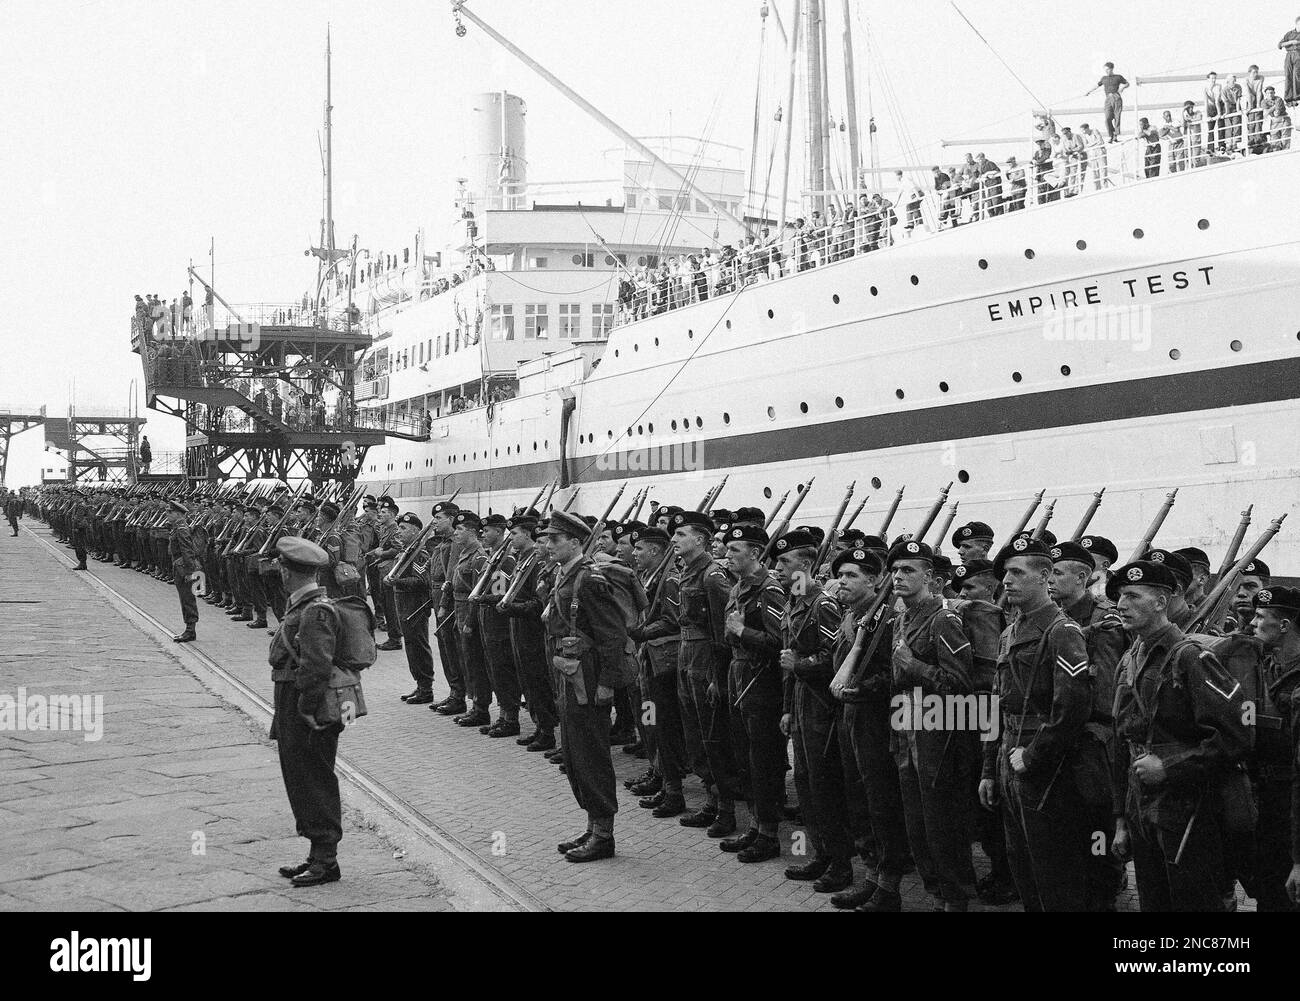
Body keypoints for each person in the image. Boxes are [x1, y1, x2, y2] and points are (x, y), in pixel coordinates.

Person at [1110, 560, 1251, 912]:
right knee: (1154, 903)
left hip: (1188, 808)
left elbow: (1235, 737)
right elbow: (1123, 738)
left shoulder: (1191, 656)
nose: (1121, 605)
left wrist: (1170, 768)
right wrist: (1121, 819)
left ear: (1161, 601)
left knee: (1193, 903)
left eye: (1132, 596)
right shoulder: (1132, 656)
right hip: (1143, 805)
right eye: (1119, 597)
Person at [979, 538, 1093, 911]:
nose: (1007, 581)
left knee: (1053, 870)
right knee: (1021, 864)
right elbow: (996, 705)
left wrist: (1034, 756)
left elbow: (1072, 708)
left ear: (1044, 576)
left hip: (1042, 767)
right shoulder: (1010, 632)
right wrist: (988, 770)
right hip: (1007, 760)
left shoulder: (1062, 631)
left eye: (1017, 572)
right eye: (1005, 574)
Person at [888, 540, 974, 911]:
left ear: (931, 579)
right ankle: (935, 892)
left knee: (940, 820)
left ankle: (954, 898)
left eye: (909, 570)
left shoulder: (943, 619)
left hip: (936, 725)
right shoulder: (902, 618)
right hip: (905, 721)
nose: (899, 576)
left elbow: (961, 685)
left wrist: (914, 667)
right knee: (916, 821)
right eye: (895, 570)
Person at [543, 511, 630, 863]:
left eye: (555, 540)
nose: (549, 545)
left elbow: (612, 636)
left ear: (576, 542)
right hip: (570, 673)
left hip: (590, 679)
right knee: (575, 756)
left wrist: (608, 685)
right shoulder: (565, 576)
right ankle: (593, 825)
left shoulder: (590, 580)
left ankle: (604, 835)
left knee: (592, 756)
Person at [268, 537, 351, 887]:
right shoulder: (304, 605)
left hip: (307, 707)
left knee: (313, 778)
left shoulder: (314, 611)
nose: (280, 574)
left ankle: (326, 860)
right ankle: (317, 855)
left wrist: (304, 711)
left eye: (282, 569)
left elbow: (316, 668)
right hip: (297, 702)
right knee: (301, 778)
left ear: (288, 571)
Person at [719, 523, 786, 864]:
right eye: (728, 549)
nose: (727, 555)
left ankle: (770, 834)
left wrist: (742, 631)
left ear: (756, 553)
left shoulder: (770, 590)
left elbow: (779, 643)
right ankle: (756, 825)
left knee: (763, 759)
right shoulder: (741, 585)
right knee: (744, 757)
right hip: (739, 674)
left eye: (735, 550)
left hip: (760, 679)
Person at [389, 513, 436, 706]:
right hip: (403, 604)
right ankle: (420, 684)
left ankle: (426, 687)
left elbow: (421, 581)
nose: (399, 532)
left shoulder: (420, 554)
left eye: (404, 529)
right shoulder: (407, 551)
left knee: (418, 645)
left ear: (416, 531)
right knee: (410, 645)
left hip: (415, 605)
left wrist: (397, 581)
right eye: (399, 528)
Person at [167, 499, 201, 643]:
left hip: (184, 569)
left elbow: (187, 552)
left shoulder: (181, 529)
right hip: (180, 567)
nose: (167, 515)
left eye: (170, 513)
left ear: (178, 514)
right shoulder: (178, 527)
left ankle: (190, 631)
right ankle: (189, 629)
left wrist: (189, 572)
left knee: (187, 598)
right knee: (185, 598)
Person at [1088, 62, 1129, 142]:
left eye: (1107, 69)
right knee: (1107, 118)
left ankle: (1115, 135)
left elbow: (1127, 83)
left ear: (1111, 69)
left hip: (1116, 96)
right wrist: (1089, 91)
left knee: (1117, 116)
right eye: (1105, 70)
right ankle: (1111, 134)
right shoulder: (1104, 78)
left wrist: (1122, 88)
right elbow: (1097, 85)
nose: (1106, 71)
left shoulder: (1118, 77)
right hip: (1108, 98)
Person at [1281, 16, 1300, 107]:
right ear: (1296, 24)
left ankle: (1296, 96)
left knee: (1296, 75)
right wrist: (1291, 42)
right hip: (1289, 54)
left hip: (1298, 55)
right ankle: (1288, 98)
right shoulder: (1289, 34)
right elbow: (1280, 45)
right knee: (1288, 75)